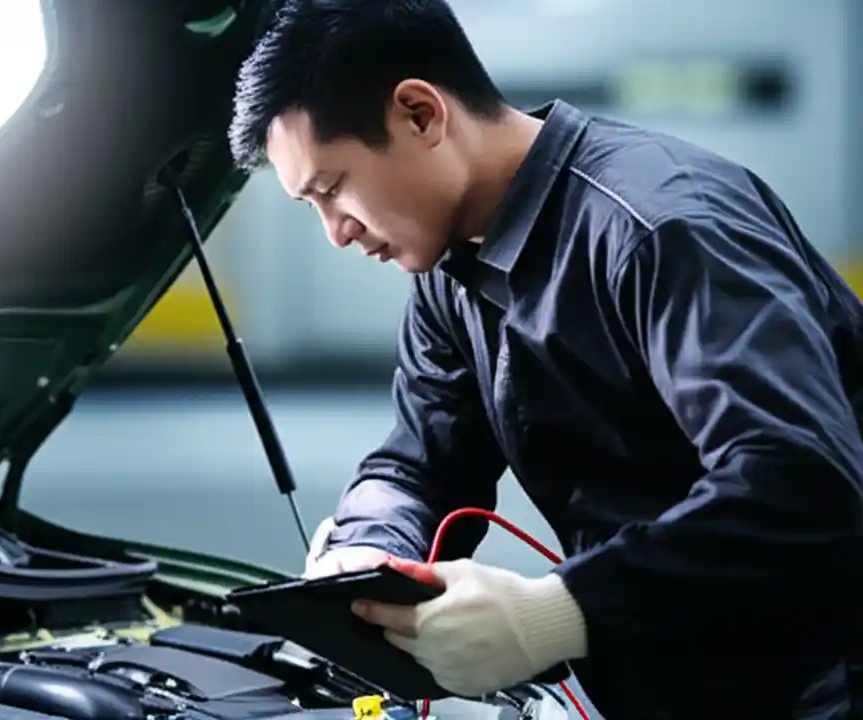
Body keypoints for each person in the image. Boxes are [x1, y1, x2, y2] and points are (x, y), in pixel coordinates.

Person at [227, 1, 863, 718]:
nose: (336, 233)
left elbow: (801, 481)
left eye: (332, 188)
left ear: (420, 114)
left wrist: (559, 611)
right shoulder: (451, 269)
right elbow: (420, 462)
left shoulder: (662, 230)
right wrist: (366, 549)